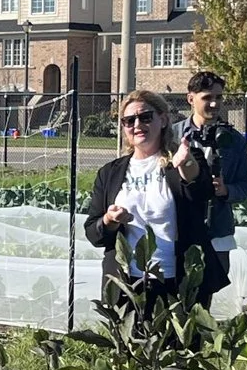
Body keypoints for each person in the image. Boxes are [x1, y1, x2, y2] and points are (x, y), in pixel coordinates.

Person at [82, 87, 207, 323]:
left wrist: (185, 163)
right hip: (126, 284)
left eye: (145, 117)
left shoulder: (182, 158)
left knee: (179, 354)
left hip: (175, 280)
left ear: (163, 119)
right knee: (128, 355)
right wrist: (108, 221)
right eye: (129, 120)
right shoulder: (110, 173)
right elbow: (93, 233)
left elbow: (199, 189)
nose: (137, 124)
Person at [179, 70, 247, 306]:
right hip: (180, 226)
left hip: (218, 229)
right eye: (207, 97)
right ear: (190, 98)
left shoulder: (235, 140)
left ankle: (197, 341)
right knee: (176, 289)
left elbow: (244, 185)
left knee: (206, 293)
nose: (214, 103)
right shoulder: (172, 135)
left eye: (219, 97)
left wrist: (226, 191)